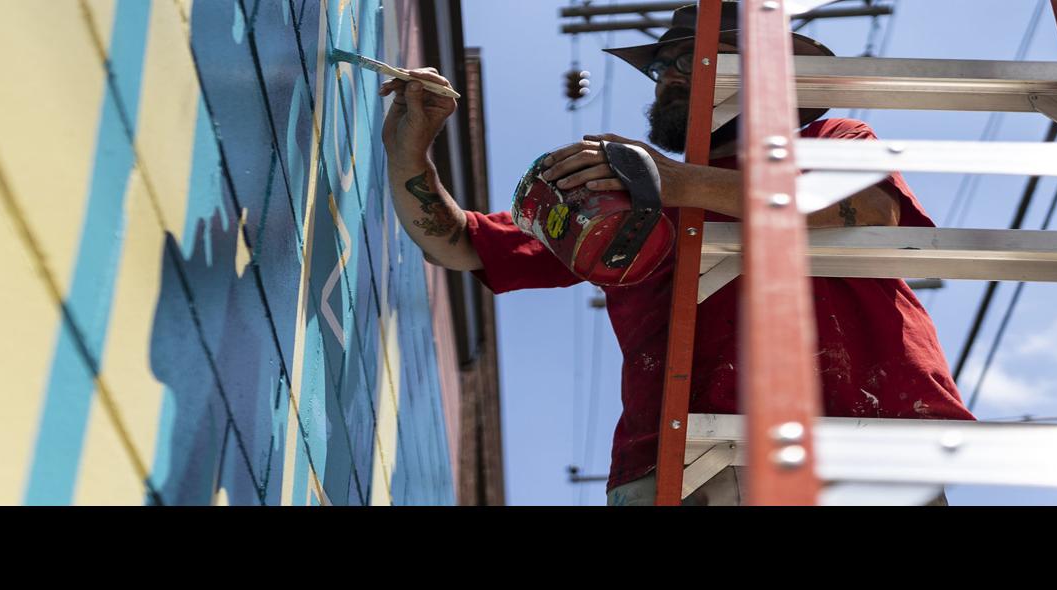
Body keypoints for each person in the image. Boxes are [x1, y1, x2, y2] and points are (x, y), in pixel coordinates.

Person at [380, 2, 972, 506]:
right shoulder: (622, 196)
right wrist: (410, 154)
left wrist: (675, 182)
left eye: (691, 60)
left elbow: (870, 214)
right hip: (673, 462)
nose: (667, 76)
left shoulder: (828, 142)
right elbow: (459, 245)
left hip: (855, 436)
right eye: (663, 65)